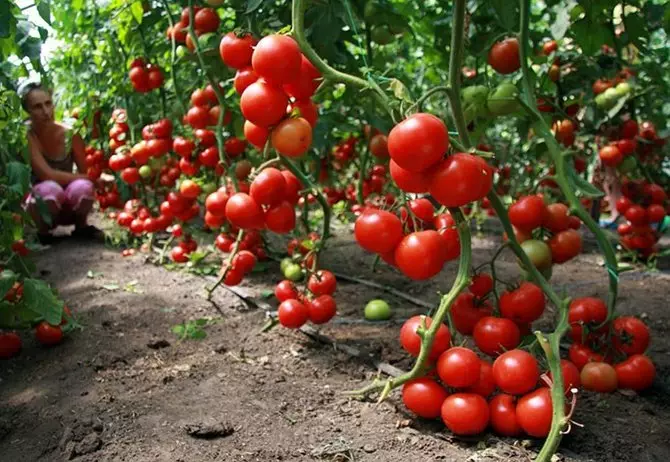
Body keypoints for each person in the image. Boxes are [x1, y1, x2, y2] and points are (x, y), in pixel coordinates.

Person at [19, 81, 98, 243]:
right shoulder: (27, 136)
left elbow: (86, 171)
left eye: (48, 104)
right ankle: (42, 232)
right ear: (27, 112)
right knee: (49, 190)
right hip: (43, 208)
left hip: (70, 208)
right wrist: (92, 179)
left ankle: (81, 226)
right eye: (37, 107)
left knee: (84, 188)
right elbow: (46, 174)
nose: (46, 111)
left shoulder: (70, 134)